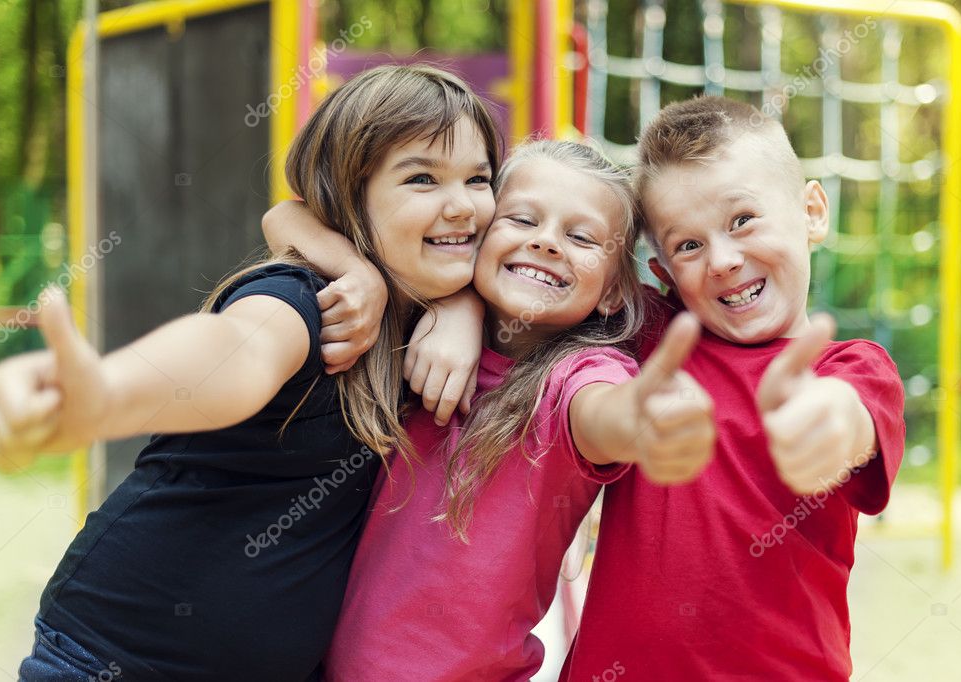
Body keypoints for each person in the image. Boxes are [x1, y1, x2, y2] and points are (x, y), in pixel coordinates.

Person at [0, 64, 501, 681]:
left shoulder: (438, 314)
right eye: (421, 177)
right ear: (348, 199)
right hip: (114, 657)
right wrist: (109, 394)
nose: (462, 205)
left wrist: (463, 306)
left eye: (479, 178)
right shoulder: (308, 303)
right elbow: (237, 352)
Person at [263, 139, 714, 681]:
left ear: (613, 292)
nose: (546, 243)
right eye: (522, 219)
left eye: (580, 237)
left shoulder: (578, 374)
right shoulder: (409, 313)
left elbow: (602, 414)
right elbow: (285, 217)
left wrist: (645, 420)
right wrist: (447, 300)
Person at [559, 96, 907, 681]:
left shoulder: (852, 369)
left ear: (812, 211)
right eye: (688, 245)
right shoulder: (647, 335)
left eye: (743, 220)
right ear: (663, 274)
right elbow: (524, 291)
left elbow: (850, 419)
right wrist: (458, 318)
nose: (721, 259)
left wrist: (825, 426)